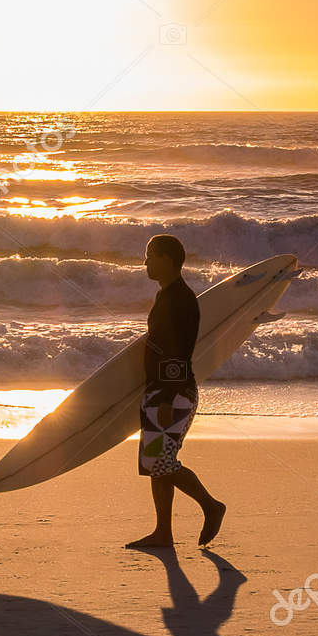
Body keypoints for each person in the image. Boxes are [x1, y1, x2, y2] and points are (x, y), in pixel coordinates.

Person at [126, 234, 227, 550]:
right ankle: (163, 533)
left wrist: (168, 397)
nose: (145, 262)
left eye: (150, 256)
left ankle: (211, 505)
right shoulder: (168, 296)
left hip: (173, 393)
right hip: (162, 391)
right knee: (156, 462)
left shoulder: (179, 300)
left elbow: (179, 352)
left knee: (162, 463)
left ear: (167, 260)